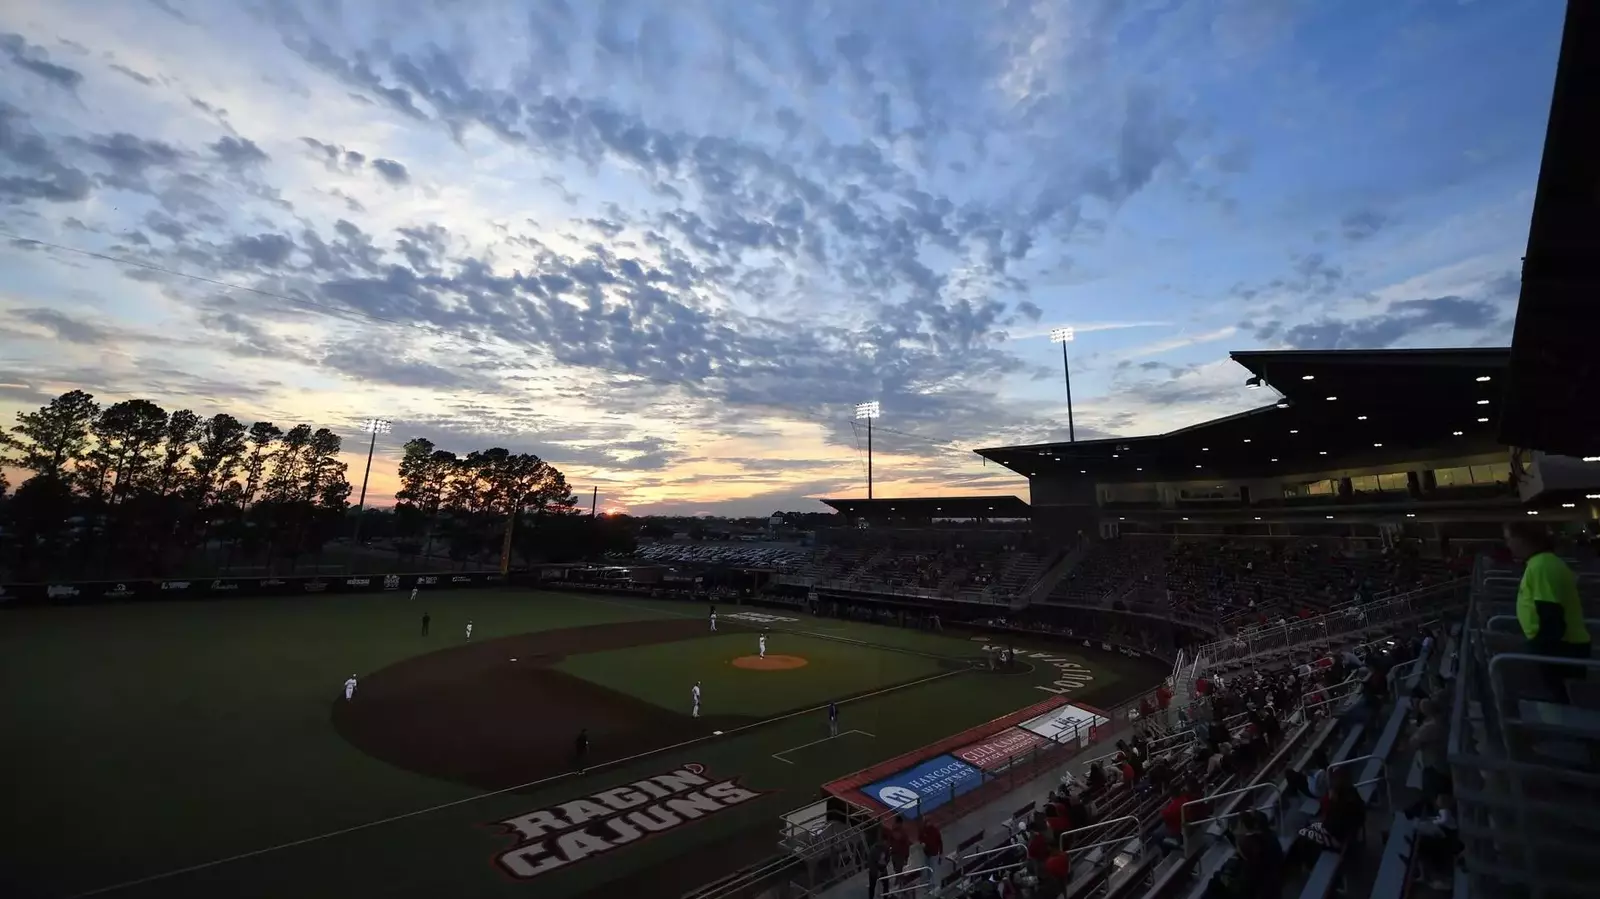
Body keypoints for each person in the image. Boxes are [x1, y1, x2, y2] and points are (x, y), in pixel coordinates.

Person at [1504, 521, 1592, 702]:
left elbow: (1552, 619)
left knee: (1563, 704)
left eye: (1509, 539)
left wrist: (1537, 651)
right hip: (1556, 646)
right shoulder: (1539, 563)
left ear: (1523, 539)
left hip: (1561, 649)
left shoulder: (1542, 566)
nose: (1508, 544)